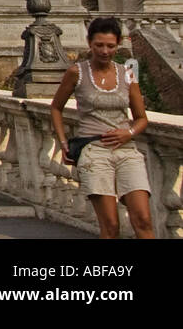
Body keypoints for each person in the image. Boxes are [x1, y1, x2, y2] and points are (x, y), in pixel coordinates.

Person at [49, 17, 155, 239]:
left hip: (127, 150)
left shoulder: (127, 74)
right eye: (99, 45)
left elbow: (141, 118)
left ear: (118, 45)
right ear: (89, 43)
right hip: (93, 151)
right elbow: (56, 108)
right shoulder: (76, 72)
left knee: (143, 219)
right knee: (111, 225)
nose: (105, 51)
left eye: (110, 46)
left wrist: (129, 132)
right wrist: (63, 143)